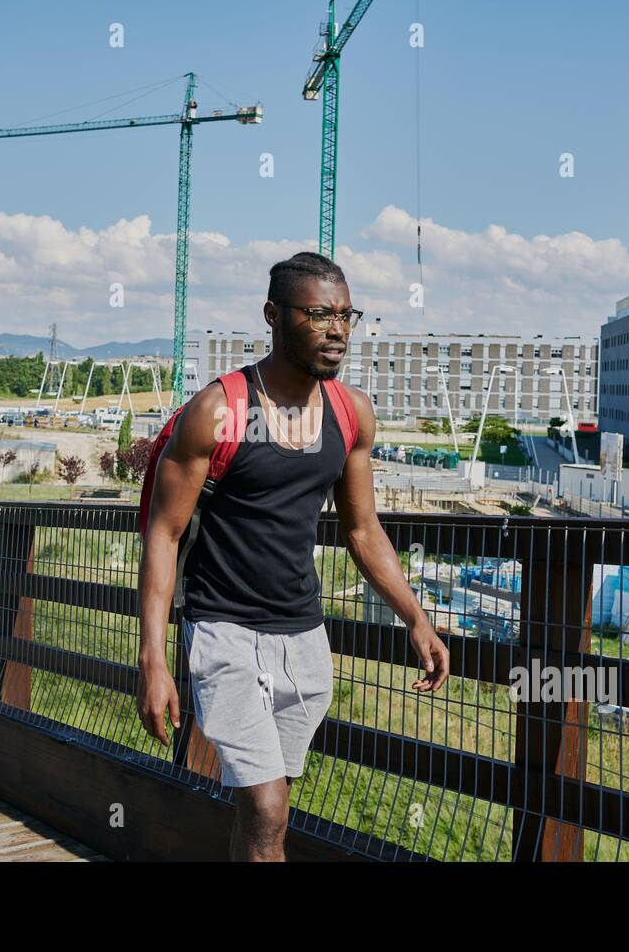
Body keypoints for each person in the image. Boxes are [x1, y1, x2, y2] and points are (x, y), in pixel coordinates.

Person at [136, 251, 449, 861]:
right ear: (273, 316)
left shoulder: (349, 412)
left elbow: (363, 530)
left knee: (268, 807)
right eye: (318, 315)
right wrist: (153, 658)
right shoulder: (218, 411)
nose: (337, 330)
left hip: (303, 639)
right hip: (223, 630)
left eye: (346, 315)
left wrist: (415, 616)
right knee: (268, 805)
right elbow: (163, 536)